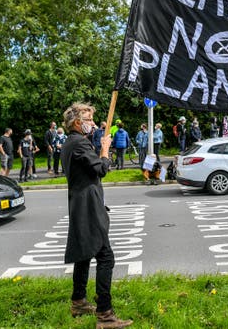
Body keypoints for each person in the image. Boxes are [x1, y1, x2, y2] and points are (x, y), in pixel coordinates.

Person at [60, 102, 132, 328]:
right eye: (89, 120)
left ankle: (79, 301)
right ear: (77, 123)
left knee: (84, 254)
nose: (92, 123)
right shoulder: (79, 144)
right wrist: (104, 150)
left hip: (81, 204)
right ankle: (105, 315)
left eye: (92, 119)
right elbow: (101, 170)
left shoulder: (72, 143)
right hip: (88, 206)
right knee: (105, 257)